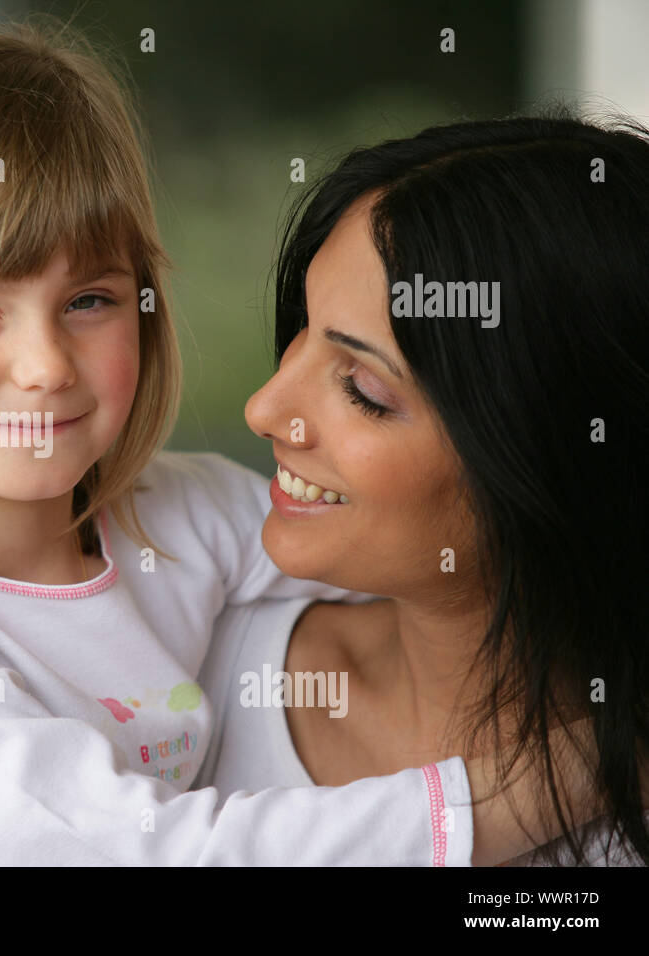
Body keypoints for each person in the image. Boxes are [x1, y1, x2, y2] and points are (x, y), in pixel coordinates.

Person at [0, 20, 595, 866]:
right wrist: (556, 784)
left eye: (89, 301)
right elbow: (151, 854)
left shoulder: (179, 516)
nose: (46, 365)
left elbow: (435, 551)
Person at [222, 113, 649, 865]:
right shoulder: (186, 666)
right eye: (303, 329)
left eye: (362, 388)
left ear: (549, 451)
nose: (264, 408)